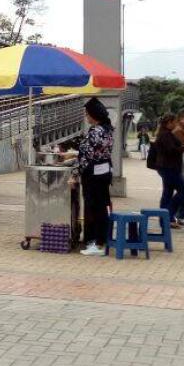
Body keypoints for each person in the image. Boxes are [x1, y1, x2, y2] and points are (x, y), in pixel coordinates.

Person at [73, 98, 115, 256]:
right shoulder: (107, 129)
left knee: (93, 208)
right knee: (101, 207)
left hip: (93, 175)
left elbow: (88, 156)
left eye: (87, 113)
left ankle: (95, 244)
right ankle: (100, 241)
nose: (86, 116)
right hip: (104, 173)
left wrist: (75, 173)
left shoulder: (95, 131)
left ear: (93, 114)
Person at [154, 114, 184, 228]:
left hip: (168, 168)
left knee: (167, 193)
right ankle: (168, 214)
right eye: (174, 122)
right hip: (169, 168)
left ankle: (165, 219)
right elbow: (170, 150)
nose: (175, 124)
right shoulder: (165, 135)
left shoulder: (166, 134)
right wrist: (182, 148)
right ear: (169, 123)